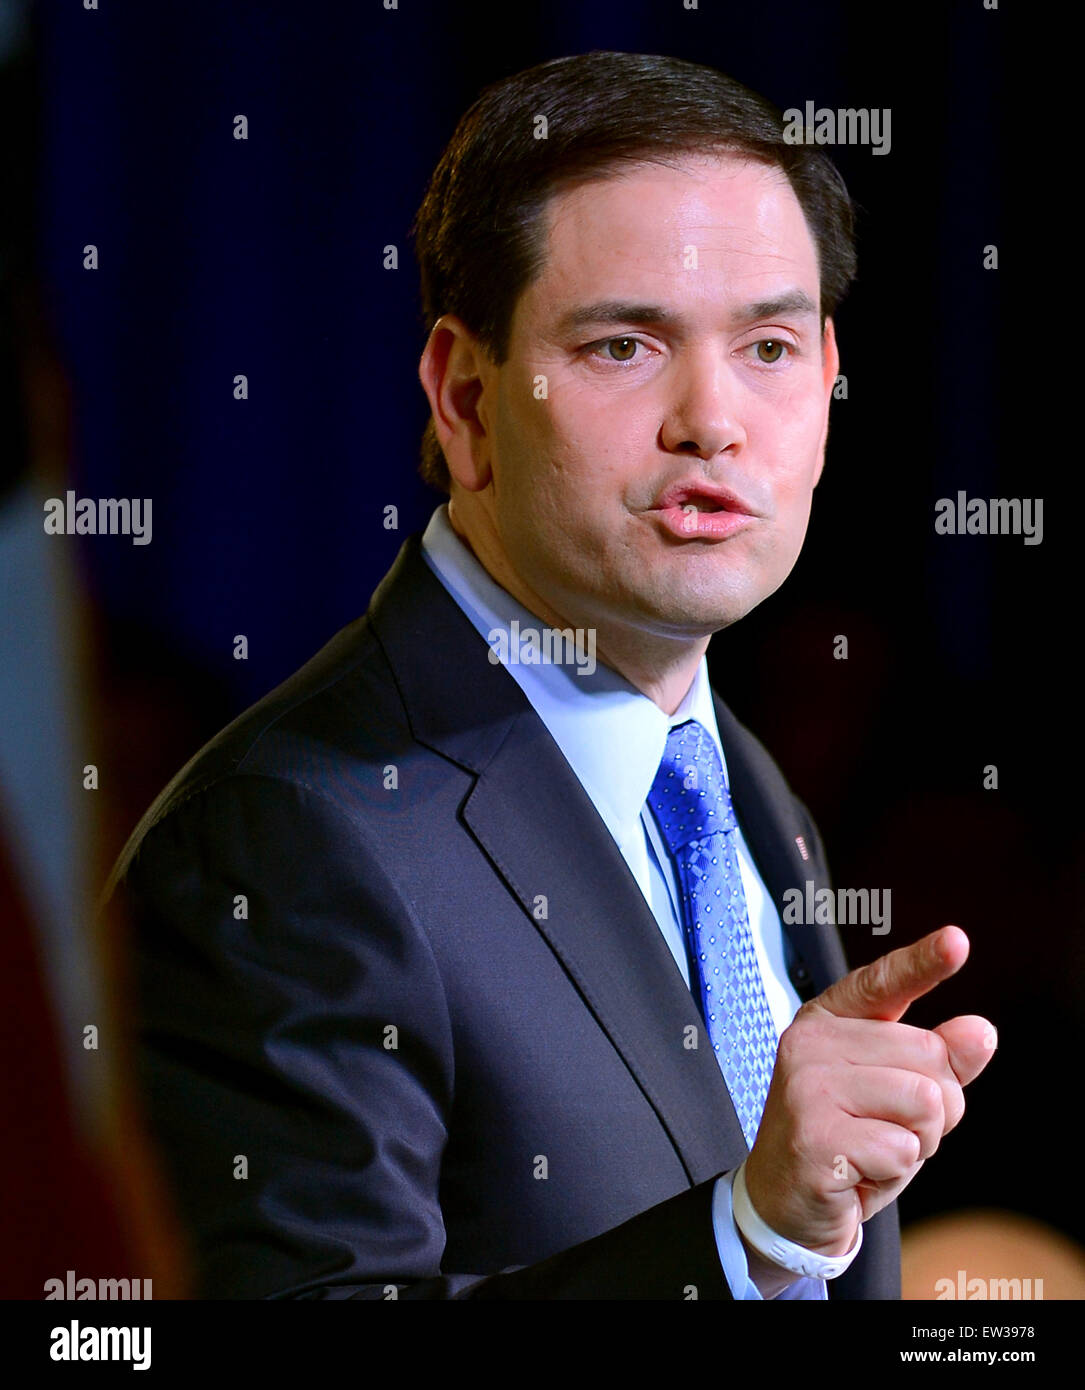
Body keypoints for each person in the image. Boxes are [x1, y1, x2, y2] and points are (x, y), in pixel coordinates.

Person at [104, 51, 996, 1300]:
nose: (712, 421)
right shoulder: (284, 836)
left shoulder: (738, 784)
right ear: (466, 397)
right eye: (624, 346)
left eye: (769, 347)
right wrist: (743, 1240)